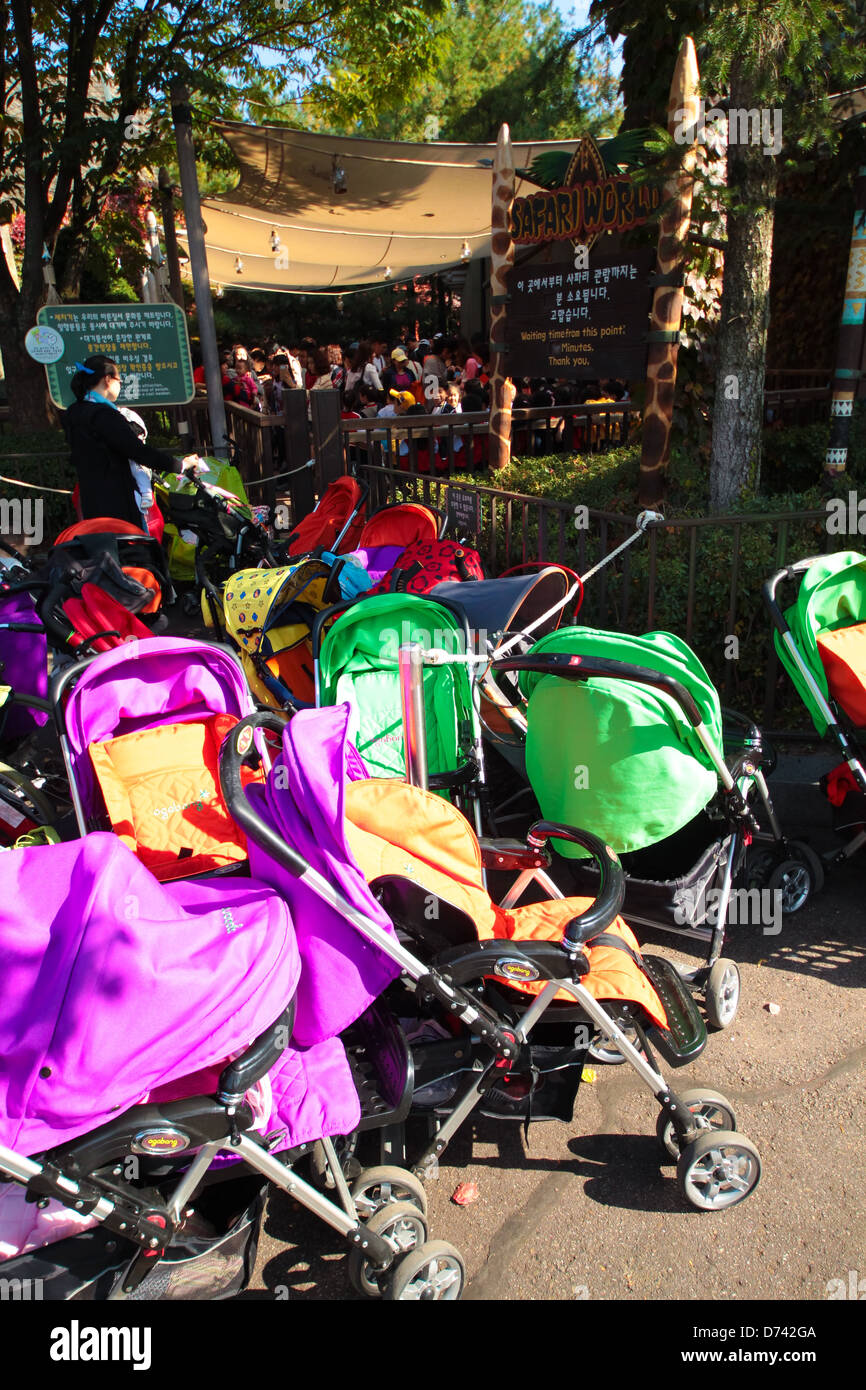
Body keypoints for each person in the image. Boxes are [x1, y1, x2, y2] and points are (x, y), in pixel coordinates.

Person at [63, 355, 198, 528]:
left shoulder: (74, 413)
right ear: (107, 379)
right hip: (116, 503)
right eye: (119, 380)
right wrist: (179, 465)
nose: (120, 385)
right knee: (129, 551)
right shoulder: (104, 415)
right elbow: (138, 451)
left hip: (91, 501)